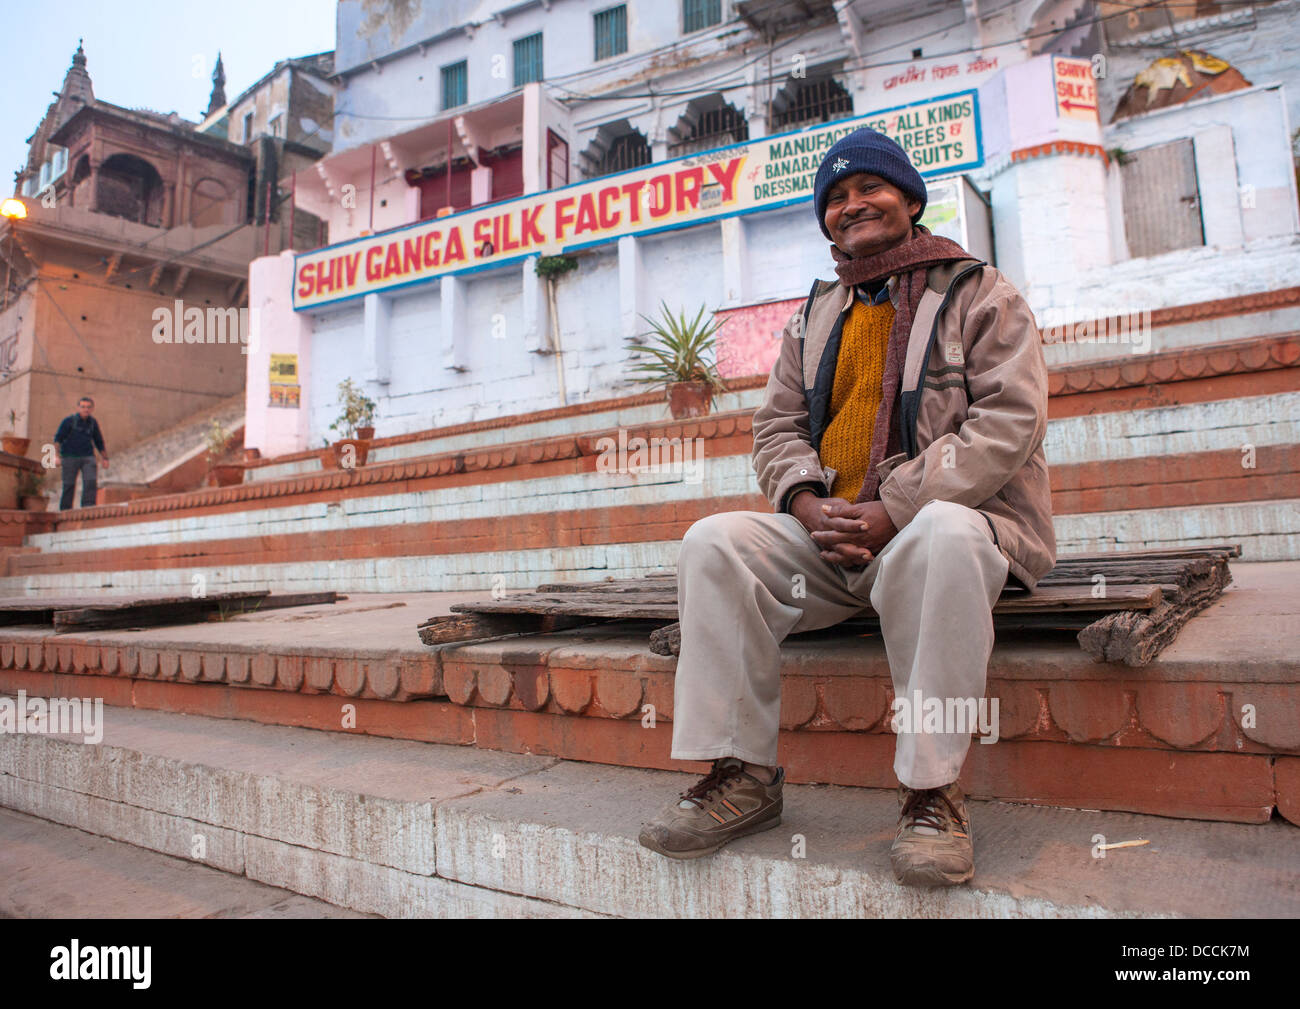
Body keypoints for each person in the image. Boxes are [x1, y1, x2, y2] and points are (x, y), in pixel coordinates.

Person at [638, 128, 1056, 887]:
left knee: (943, 532)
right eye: (834, 197)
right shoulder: (814, 315)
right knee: (714, 541)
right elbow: (776, 425)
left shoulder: (979, 291)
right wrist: (803, 499)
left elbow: (1010, 419)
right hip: (835, 543)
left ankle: (932, 794)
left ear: (909, 198)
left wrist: (895, 507)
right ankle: (743, 776)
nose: (851, 205)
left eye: (869, 188)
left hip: (940, 530)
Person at [54, 396, 108, 510]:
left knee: (90, 482)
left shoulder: (93, 423)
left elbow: (99, 440)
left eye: (88, 407)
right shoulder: (68, 421)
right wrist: (55, 456)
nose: (85, 410)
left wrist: (105, 458)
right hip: (69, 457)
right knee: (69, 485)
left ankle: (88, 509)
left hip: (88, 457)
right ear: (78, 408)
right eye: (83, 407)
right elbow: (58, 439)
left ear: (92, 409)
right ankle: (65, 511)